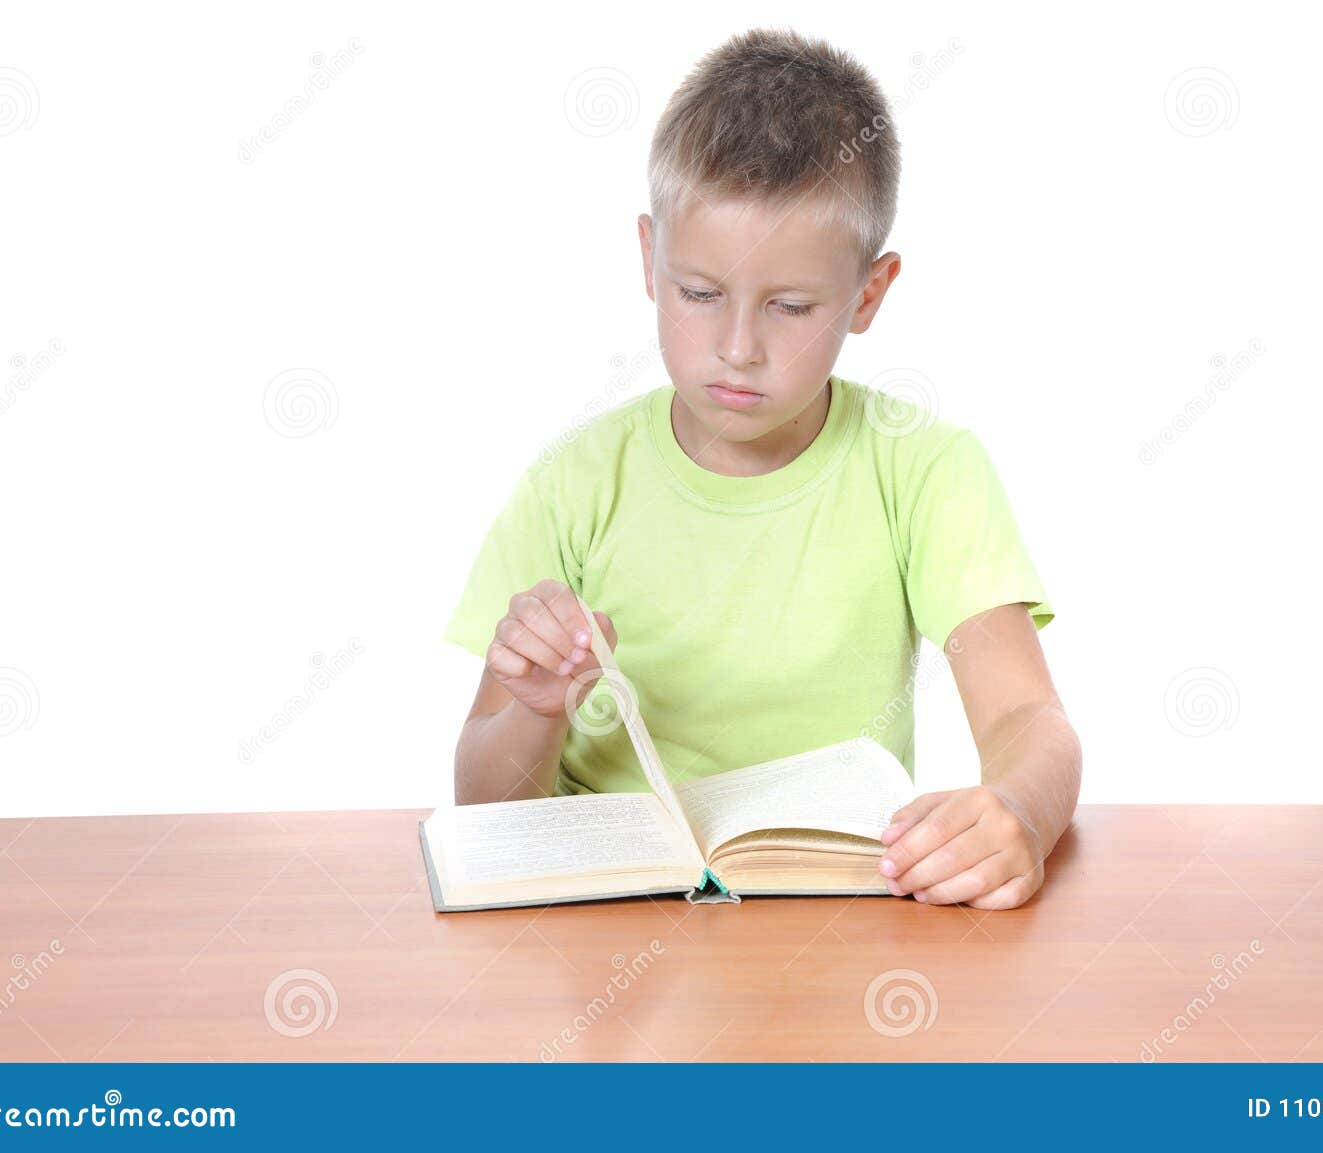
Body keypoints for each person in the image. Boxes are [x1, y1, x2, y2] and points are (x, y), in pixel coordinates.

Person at [444, 28, 1081, 909]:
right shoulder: (573, 483)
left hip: (834, 934)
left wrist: (1018, 809)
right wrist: (536, 709)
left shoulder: (924, 470)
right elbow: (484, 807)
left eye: (789, 306)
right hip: (604, 943)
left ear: (868, 294)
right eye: (699, 294)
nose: (737, 349)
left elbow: (1026, 720)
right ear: (647, 259)